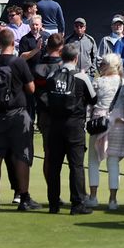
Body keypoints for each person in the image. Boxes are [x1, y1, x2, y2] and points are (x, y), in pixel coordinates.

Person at [0, 27, 39, 212]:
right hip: (17, 114)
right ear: (13, 43)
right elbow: (31, 88)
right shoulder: (18, 62)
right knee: (21, 155)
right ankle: (24, 197)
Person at [41, 43, 94, 214]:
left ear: (61, 57)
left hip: (55, 125)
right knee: (76, 165)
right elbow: (93, 98)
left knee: (54, 165)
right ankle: (77, 204)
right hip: (75, 125)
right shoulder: (81, 76)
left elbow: (46, 98)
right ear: (76, 58)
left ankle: (53, 204)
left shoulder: (52, 75)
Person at [87, 54, 124, 209]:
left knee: (93, 161)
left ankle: (93, 197)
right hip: (118, 124)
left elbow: (90, 104)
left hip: (99, 123)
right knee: (113, 162)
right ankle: (113, 200)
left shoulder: (98, 82)